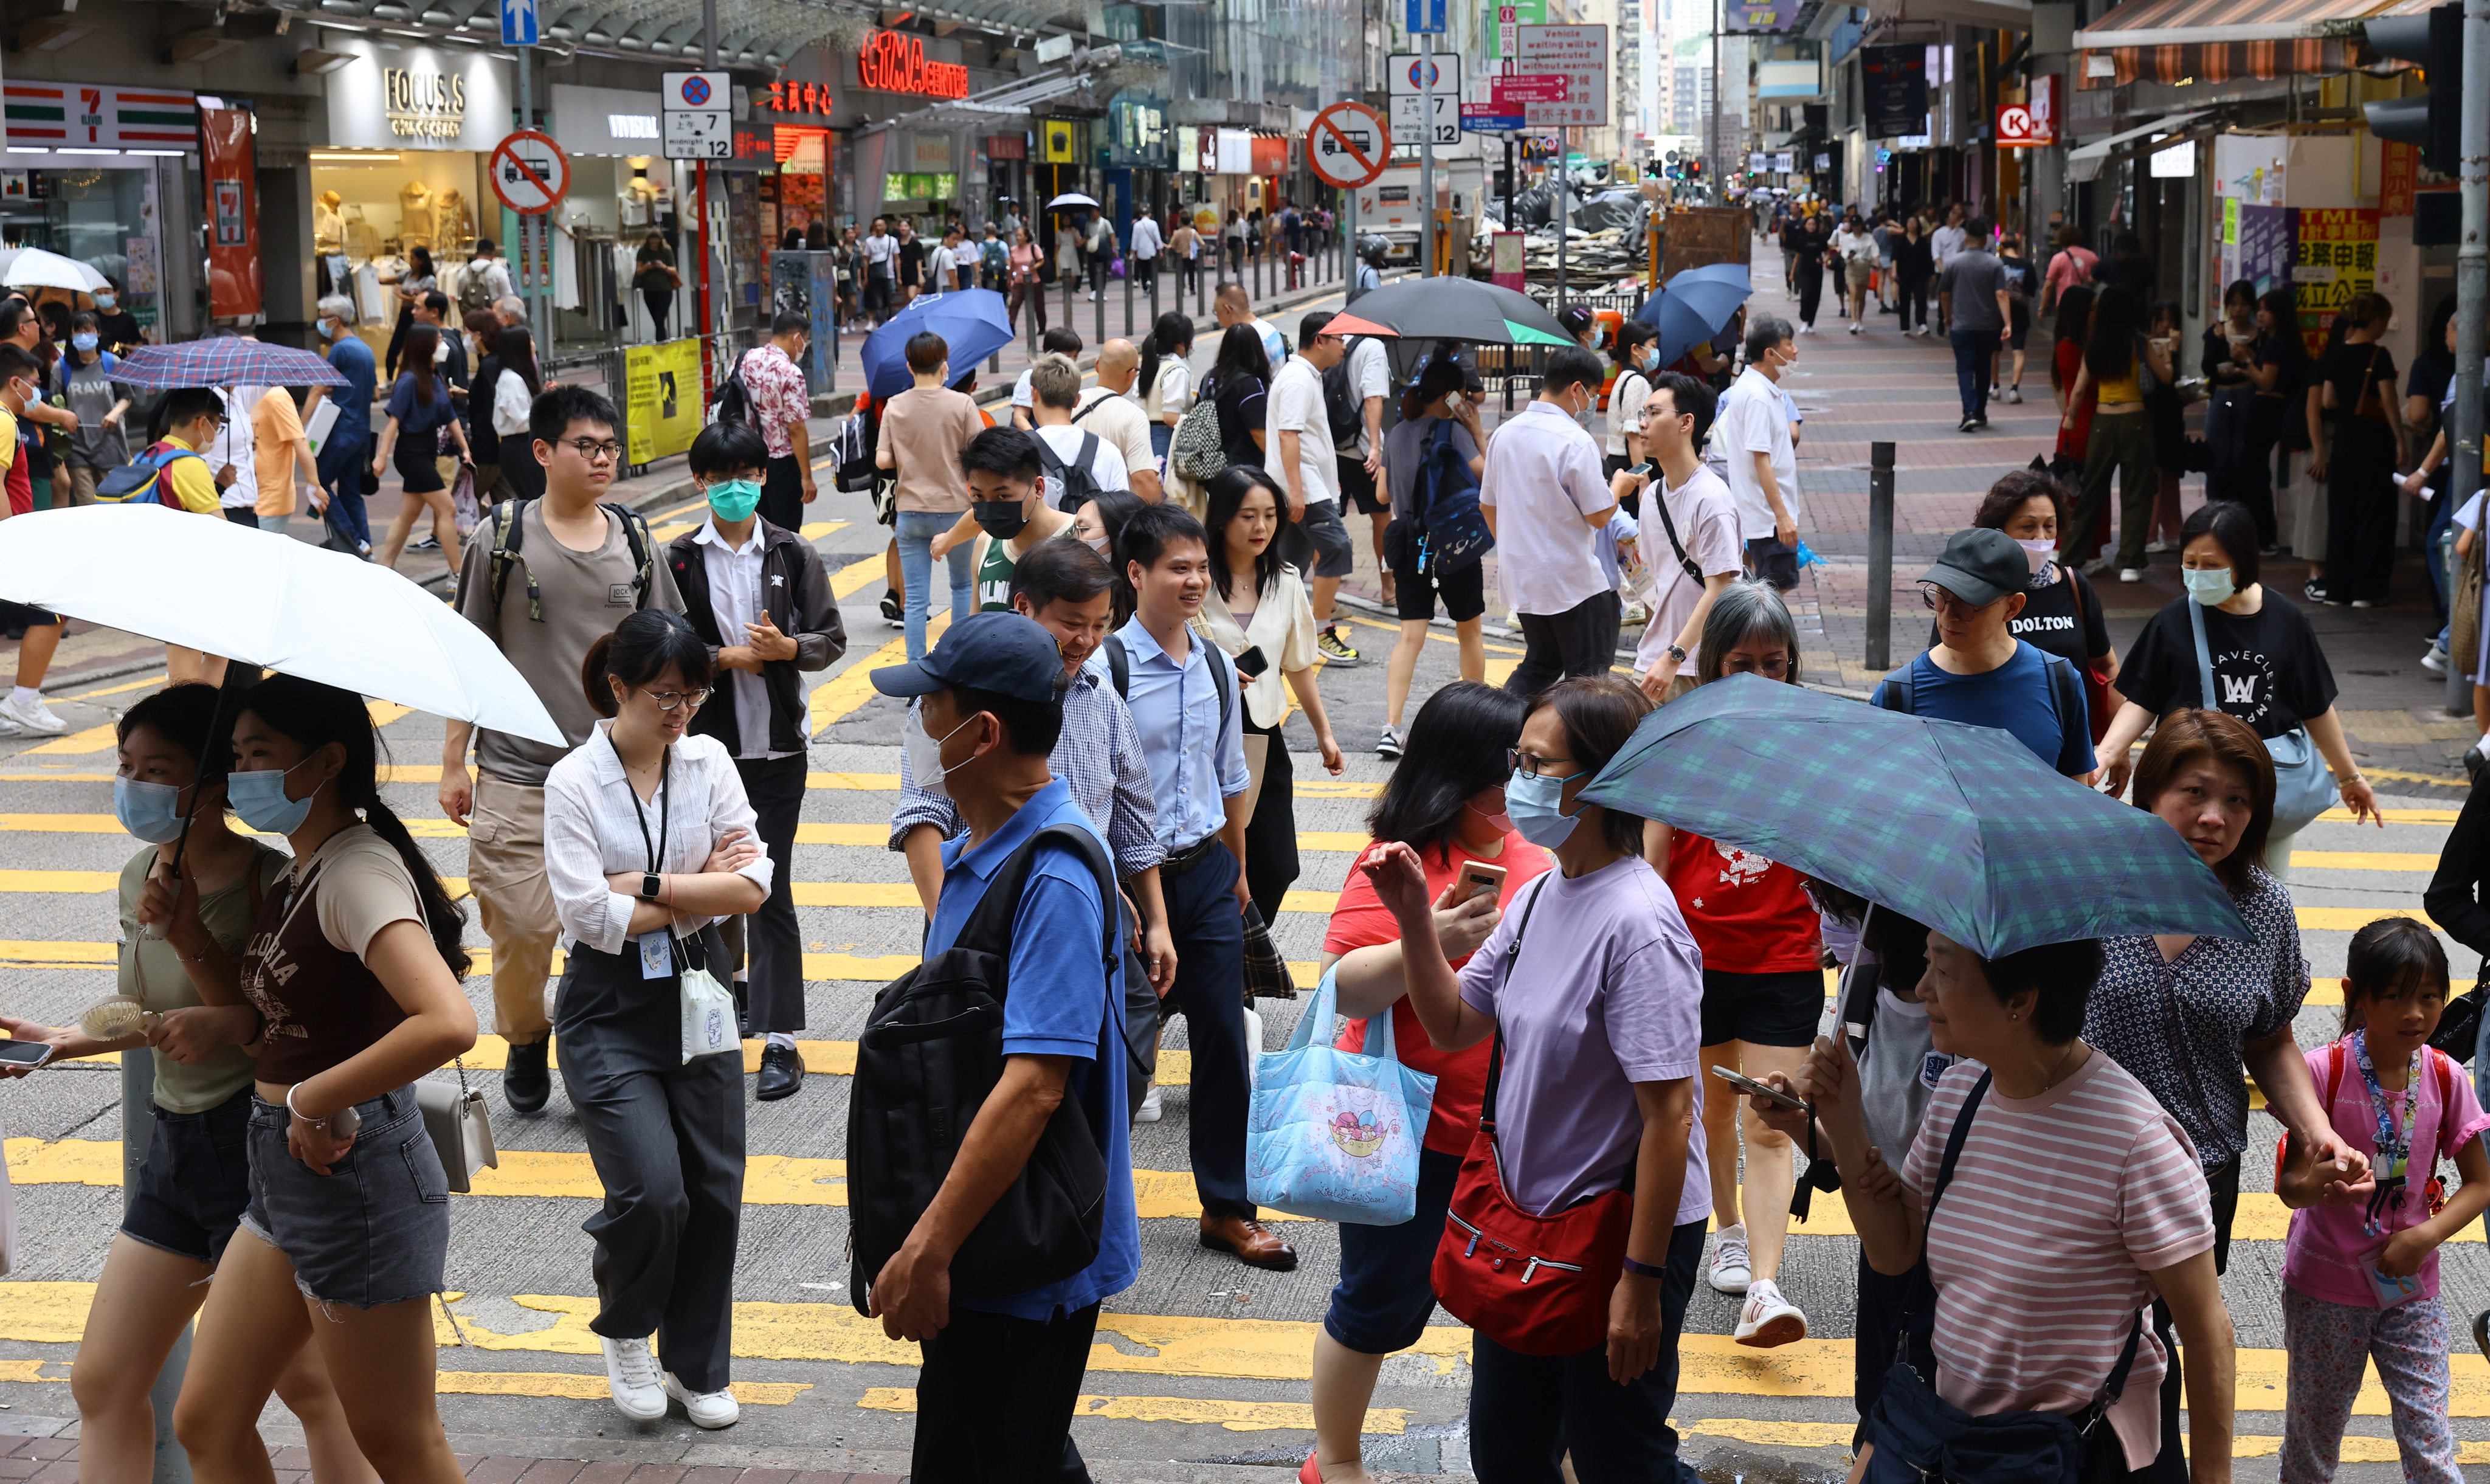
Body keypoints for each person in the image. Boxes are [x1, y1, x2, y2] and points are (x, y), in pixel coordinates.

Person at [0, 684, 368, 1479]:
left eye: (156, 768)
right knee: (104, 1379)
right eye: (125, 765)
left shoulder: (274, 882)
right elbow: (148, 1011)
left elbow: (288, 1028)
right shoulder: (140, 877)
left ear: (210, 785)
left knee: (302, 1387)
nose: (133, 785)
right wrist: (64, 1041)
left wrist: (203, 960)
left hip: (254, 1147)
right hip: (176, 1147)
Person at [1356, 675, 1712, 1480]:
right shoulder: (1541, 893)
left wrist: (1642, 1283)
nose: (1516, 777)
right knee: (1510, 1448)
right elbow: (1454, 1023)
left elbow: (1670, 1120)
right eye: (1516, 758)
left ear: (1603, 780)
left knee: (1621, 1454)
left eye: (1536, 762)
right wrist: (1416, 918)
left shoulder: (1640, 925)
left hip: (1619, 1230)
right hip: (1526, 1216)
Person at [1764, 930, 2238, 1484]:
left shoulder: (2137, 1143)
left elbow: (2208, 1332)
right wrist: (1844, 1124)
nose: (1922, 990)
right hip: (1955, 1442)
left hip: (2064, 1454)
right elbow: (1895, 1252)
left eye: (1943, 971)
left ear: (2020, 1000)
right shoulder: (1962, 1094)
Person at [168, 674, 477, 1479]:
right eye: (234, 756)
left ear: (327, 761)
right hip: (282, 1174)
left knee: (398, 1439)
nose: (241, 776)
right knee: (207, 1419)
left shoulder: (355, 873)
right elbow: (276, 1024)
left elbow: (446, 1021)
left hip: (354, 1177)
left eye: (260, 754)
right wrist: (189, 934)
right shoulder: (306, 869)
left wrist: (314, 1098)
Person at [863, 610, 1139, 1482]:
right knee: (1018, 1453)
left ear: (982, 732)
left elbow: (1034, 1089)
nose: (920, 730)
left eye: (930, 710)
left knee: (981, 1455)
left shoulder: (1053, 872)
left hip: (1025, 1250)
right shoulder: (980, 848)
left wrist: (929, 1247)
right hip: (987, 1228)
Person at [1303, 682, 1553, 1483]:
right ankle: (1335, 1459)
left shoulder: (1540, 857)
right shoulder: (1400, 861)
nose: (1530, 780)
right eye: (1518, 763)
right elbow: (1341, 987)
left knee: (1518, 1314)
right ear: (1467, 772)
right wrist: (1431, 931)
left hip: (1510, 1139)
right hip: (1401, 1132)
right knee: (1376, 1303)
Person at [543, 610, 770, 1427]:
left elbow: (752, 883)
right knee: (652, 1191)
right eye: (664, 697)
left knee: (714, 1186)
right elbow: (585, 914)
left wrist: (645, 886)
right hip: (607, 1005)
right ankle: (629, 1325)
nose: (680, 714)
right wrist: (691, 882)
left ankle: (698, 1365)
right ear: (619, 688)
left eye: (693, 697)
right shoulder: (573, 782)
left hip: (699, 991)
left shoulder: (707, 762)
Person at [448, 386, 685, 1115]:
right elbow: (469, 650)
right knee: (521, 928)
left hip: (616, 773)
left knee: (612, 930)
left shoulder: (636, 541)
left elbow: (673, 653)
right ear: (544, 452)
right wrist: (453, 759)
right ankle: (525, 1035)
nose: (604, 458)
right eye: (587, 445)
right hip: (519, 773)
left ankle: (595, 1053)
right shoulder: (503, 539)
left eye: (611, 446)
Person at [1112, 503, 1288, 1269]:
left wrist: (1239, 868)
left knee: (1223, 1035)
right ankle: (1088, 1200)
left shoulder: (1217, 663)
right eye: (1176, 567)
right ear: (1136, 573)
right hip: (1124, 882)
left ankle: (1227, 1207)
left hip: (1207, 872)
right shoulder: (1105, 670)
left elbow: (1230, 777)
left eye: (1199, 568)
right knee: (1114, 1047)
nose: (1193, 580)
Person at [1644, 583, 1818, 1348]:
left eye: (1773, 663)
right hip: (1696, 959)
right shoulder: (1679, 741)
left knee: (1771, 1121)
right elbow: (1651, 857)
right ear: (1711, 666)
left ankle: (1767, 1286)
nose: (1758, 675)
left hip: (1784, 957)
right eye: (1740, 661)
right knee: (1710, 1111)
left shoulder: (1813, 742)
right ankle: (1729, 1231)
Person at [663, 421, 846, 1100]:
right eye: (719, 476)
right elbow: (659, 645)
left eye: (746, 474)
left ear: (763, 478)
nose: (734, 487)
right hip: (701, 755)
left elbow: (831, 637)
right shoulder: (678, 558)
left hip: (777, 752)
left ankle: (779, 1038)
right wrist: (724, 659)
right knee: (706, 886)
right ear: (699, 481)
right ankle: (721, 1008)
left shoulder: (793, 553)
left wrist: (789, 649)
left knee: (769, 886)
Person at [2275, 920, 2489, 1482]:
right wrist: (2318, 1182)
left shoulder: (2445, 1076)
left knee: (2430, 1437)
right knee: (2313, 1438)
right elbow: (2288, 1185)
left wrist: (2424, 1236)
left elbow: (2482, 1184)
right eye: (2394, 996)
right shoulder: (2325, 1072)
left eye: (2428, 996)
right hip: (2325, 1291)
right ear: (2355, 995)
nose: (2415, 1013)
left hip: (2412, 1290)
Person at [2095, 500, 2381, 871]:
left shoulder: (2287, 621)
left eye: (2212, 565)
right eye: (2190, 563)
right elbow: (2143, 699)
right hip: (2191, 792)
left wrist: (2350, 776)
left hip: (2262, 794)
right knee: (2185, 900)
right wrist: (2107, 752)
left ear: (2243, 562)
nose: (2198, 574)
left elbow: (2316, 706)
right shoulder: (2173, 621)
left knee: (2261, 906)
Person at [1196, 464, 1348, 925]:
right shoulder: (1194, 578)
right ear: (1222, 518)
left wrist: (1324, 733)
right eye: (1247, 516)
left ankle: (1241, 954)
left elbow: (1298, 662)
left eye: (1269, 515)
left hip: (1263, 734)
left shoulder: (1284, 579)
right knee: (1212, 859)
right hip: (1204, 735)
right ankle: (1219, 962)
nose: (1260, 527)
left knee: (1279, 864)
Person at [1872, 526, 2096, 778]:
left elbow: (2078, 798)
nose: (1947, 615)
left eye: (1967, 604)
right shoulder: (1898, 695)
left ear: (2013, 607)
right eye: (1939, 597)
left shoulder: (2061, 681)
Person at [1481, 346, 1621, 695]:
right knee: (1589, 683)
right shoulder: (1575, 440)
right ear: (1576, 389)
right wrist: (1618, 485)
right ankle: (1580, 748)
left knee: (1539, 665)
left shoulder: (1504, 434)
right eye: (1591, 395)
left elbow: (1488, 506)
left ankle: (1502, 734)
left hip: (1523, 579)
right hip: (1573, 582)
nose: (1590, 405)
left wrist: (1518, 550)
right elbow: (1600, 515)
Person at [1951, 469, 2119, 738]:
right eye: (2028, 527)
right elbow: (1943, 666)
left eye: (2049, 526)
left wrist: (2115, 746)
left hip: (2069, 745)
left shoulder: (2074, 586)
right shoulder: (1974, 590)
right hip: (1993, 746)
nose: (2040, 538)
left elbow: (2106, 666)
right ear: (1999, 530)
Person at [1378, 360, 1489, 756]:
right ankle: (1476, 718)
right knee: (1469, 631)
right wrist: (1476, 430)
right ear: (1451, 396)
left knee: (1410, 636)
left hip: (1411, 545)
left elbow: (1381, 496)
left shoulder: (1396, 433)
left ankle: (1391, 727)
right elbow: (1487, 476)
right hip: (1454, 543)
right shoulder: (1455, 431)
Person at [1620, 373, 1741, 703]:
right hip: (1654, 662)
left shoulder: (1711, 499)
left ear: (1687, 422)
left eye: (1654, 413)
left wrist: (1674, 655)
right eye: (1643, 413)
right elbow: (1654, 584)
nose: (1642, 423)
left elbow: (1722, 587)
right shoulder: (1653, 496)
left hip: (1696, 667)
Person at [875, 331, 984, 663]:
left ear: (909, 367)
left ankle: (915, 673)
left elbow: (883, 461)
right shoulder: (962, 404)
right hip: (956, 510)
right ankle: (958, 664)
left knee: (917, 599)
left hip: (911, 512)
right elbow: (982, 451)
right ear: (945, 365)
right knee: (963, 587)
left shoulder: (895, 406)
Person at [1266, 312, 1361, 664]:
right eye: (1340, 339)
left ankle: (1270, 632)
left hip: (1309, 486)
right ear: (1320, 340)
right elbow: (1288, 436)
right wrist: (1296, 491)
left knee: (1287, 564)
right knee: (1337, 548)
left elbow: (1307, 438)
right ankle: (1321, 630)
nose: (1345, 347)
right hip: (1303, 489)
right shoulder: (1298, 380)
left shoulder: (1306, 377)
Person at [2063, 288, 2176, 581]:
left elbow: (2078, 388)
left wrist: (2071, 419)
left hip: (2103, 421)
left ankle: (2072, 556)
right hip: (2135, 421)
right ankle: (2130, 562)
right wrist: (2169, 353)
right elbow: (2165, 377)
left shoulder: (2094, 344)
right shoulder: (2139, 342)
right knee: (2137, 491)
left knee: (2092, 491)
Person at [2307, 292, 2406, 607]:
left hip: (2344, 443)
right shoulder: (2379, 355)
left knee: (2343, 515)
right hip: (2374, 442)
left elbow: (2328, 402)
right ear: (2376, 320)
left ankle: (2338, 589)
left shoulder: (2334, 356)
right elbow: (2389, 400)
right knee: (2374, 514)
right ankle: (2368, 589)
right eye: (2385, 321)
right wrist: (2400, 439)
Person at [370, 325, 474, 573]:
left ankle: (385, 568)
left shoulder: (434, 376)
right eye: (439, 341)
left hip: (427, 450)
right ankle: (458, 573)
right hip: (412, 453)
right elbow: (393, 421)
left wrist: (465, 449)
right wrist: (381, 457)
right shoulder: (408, 380)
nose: (444, 346)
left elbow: (450, 418)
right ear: (425, 346)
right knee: (447, 508)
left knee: (408, 514)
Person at [1715, 317, 1802, 591]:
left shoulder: (1759, 389)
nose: (1795, 350)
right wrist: (1782, 516)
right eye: (1789, 344)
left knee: (1768, 590)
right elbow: (1760, 459)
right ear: (1770, 353)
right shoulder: (1756, 396)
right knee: (1774, 593)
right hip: (1768, 517)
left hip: (1765, 514)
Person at [739, 311, 816, 534]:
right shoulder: (791, 373)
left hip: (747, 461)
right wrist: (807, 477)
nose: (804, 347)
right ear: (796, 337)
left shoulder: (744, 360)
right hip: (781, 465)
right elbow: (796, 428)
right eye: (805, 340)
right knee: (785, 535)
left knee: (755, 533)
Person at [1334, 326, 1395, 606]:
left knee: (1327, 520)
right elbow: (1372, 398)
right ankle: (1389, 590)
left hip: (1331, 446)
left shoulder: (1333, 341)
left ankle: (1328, 600)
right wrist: (1375, 447)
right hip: (1361, 449)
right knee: (1382, 517)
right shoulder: (1372, 346)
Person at [2202, 280, 2267, 535]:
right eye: (2233, 304)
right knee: (2217, 457)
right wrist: (2220, 343)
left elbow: (2263, 367)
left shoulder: (2260, 335)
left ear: (2251, 306)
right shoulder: (2216, 331)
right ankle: (2213, 516)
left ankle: (2239, 519)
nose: (2237, 309)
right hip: (2221, 397)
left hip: (2247, 396)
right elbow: (2208, 366)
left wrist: (2246, 356)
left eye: (2243, 304)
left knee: (2243, 457)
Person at [1936, 217, 2011, 433]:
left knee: (1965, 369)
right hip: (1988, 326)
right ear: (1986, 239)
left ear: (1966, 238)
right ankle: (1980, 412)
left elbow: (1945, 293)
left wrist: (1947, 317)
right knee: (1983, 368)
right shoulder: (1995, 264)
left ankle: (1969, 412)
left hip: (1962, 326)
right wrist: (2008, 323)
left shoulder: (1954, 263)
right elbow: (2001, 294)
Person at [1029, 353, 1131, 507]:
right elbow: (1122, 512)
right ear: (1077, 400)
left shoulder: (1021, 451)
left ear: (1034, 393)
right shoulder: (1108, 451)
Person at [57, 310, 131, 506]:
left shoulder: (111, 362)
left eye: (88, 331)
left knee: (115, 504)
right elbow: (55, 404)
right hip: (76, 447)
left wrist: (115, 413)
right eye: (78, 331)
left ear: (98, 333)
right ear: (71, 335)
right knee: (88, 505)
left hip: (111, 444)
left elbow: (127, 397)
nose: (83, 336)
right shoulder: (62, 368)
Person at [1080, 339, 1164, 503]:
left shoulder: (1071, 402)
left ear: (1097, 365)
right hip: (1115, 514)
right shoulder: (1134, 416)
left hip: (1069, 512)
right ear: (1131, 374)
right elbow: (1143, 479)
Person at [489, 322, 548, 505]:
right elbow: (522, 419)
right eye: (529, 340)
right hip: (519, 446)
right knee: (535, 500)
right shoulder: (511, 380)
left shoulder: (516, 377)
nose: (533, 344)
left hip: (523, 444)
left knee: (537, 499)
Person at [1203, 322, 1273, 474]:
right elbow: (1258, 431)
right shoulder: (1250, 384)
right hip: (1243, 469)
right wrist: (1279, 461)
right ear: (1256, 350)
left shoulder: (1209, 378)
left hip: (1210, 465)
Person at [251, 385, 320, 534]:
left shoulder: (276, 397)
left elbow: (300, 441)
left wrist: (314, 485)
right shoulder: (240, 394)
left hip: (269, 499)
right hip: (243, 495)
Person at [1136, 311, 1195, 466]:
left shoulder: (1149, 367)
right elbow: (1170, 417)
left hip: (1142, 438)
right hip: (1166, 440)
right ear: (1181, 343)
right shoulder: (1176, 371)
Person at [1605, 320, 1660, 481]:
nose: (1656, 352)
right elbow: (1634, 435)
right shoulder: (1637, 382)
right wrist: (1643, 482)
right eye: (1653, 346)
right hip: (1630, 463)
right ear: (1635, 349)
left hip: (1622, 461)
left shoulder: (1628, 377)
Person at [1009, 328, 1083, 430]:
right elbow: (1019, 417)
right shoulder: (1031, 376)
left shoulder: (1071, 377)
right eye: (1068, 356)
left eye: (1076, 356)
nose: (1073, 361)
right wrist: (1038, 440)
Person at [382, 246, 435, 380]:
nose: (410, 261)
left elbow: (422, 299)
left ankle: (419, 377)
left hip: (419, 318)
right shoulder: (407, 275)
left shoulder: (429, 279)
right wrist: (368, 274)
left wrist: (400, 295)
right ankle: (389, 378)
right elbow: (384, 280)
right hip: (405, 315)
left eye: (413, 258)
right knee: (394, 349)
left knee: (415, 349)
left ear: (421, 260)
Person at [1993, 231, 2034, 402]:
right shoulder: (2027, 265)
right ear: (2018, 246)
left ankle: (1994, 387)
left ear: (2002, 246)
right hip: (2020, 310)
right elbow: (2031, 290)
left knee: (1994, 351)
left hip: (1997, 311)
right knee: (2019, 351)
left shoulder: (1996, 264)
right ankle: (2014, 390)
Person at [1832, 211, 1876, 333]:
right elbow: (1845, 254)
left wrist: (1876, 262)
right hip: (1851, 267)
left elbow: (1875, 251)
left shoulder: (1869, 237)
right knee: (1853, 293)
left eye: (1858, 225)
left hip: (1864, 267)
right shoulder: (1846, 239)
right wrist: (1849, 256)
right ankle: (1854, 321)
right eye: (1854, 225)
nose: (1856, 227)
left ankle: (1860, 319)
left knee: (1862, 296)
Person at [1785, 208, 1827, 332]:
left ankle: (1811, 323)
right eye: (1809, 224)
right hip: (1804, 271)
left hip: (1817, 272)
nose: (1812, 226)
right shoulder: (1802, 239)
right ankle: (1804, 319)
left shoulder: (1820, 240)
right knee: (1806, 295)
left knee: (1815, 296)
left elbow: (1827, 253)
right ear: (1805, 226)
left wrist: (1824, 260)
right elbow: (1797, 257)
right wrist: (1792, 273)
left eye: (1814, 224)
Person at [2041, 223, 2098, 316]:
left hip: (2065, 304)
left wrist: (2042, 308)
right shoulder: (2092, 257)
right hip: (2088, 303)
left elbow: (2049, 286)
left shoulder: (2058, 258)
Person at [1892, 214, 1934, 338]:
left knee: (1921, 297)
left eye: (1914, 223)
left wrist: (1931, 274)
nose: (1912, 225)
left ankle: (1922, 323)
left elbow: (1928, 258)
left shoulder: (1922, 241)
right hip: (1904, 273)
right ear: (1906, 225)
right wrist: (1894, 271)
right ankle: (1905, 326)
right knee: (1904, 299)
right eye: (1910, 222)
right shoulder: (1901, 240)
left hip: (1920, 273)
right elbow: (1895, 257)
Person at [635, 232, 681, 340]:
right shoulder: (643, 251)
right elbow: (638, 271)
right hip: (649, 290)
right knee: (657, 320)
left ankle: (661, 343)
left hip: (665, 290)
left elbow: (674, 270)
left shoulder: (667, 251)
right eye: (652, 241)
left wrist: (663, 267)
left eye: (656, 241)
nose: (654, 243)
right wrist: (647, 267)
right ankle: (662, 343)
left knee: (660, 319)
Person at [1008, 226, 1047, 337]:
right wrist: (1010, 278)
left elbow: (1041, 260)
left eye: (1020, 235)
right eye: (1017, 235)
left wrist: (1034, 267)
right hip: (1019, 281)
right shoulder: (1014, 250)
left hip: (1033, 281)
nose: (1018, 238)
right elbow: (1012, 265)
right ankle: (1011, 325)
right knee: (1014, 303)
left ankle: (1042, 326)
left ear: (1026, 237)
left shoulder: (1033, 248)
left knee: (1039, 306)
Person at [461, 240, 516, 314]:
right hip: (494, 316)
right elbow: (508, 297)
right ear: (493, 254)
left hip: (471, 318)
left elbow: (460, 297)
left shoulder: (463, 272)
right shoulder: (499, 271)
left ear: (476, 253)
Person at [861, 218, 897, 323]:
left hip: (889, 275)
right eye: (876, 226)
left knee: (891, 300)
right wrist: (866, 277)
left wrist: (898, 276)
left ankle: (891, 321)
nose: (878, 228)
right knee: (878, 302)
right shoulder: (869, 241)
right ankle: (881, 323)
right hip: (875, 276)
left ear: (886, 227)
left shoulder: (892, 240)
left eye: (881, 225)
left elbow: (897, 259)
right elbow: (866, 260)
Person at [1128, 207, 1162, 295]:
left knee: (1143, 270)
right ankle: (1151, 282)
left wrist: (1133, 252)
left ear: (1140, 215)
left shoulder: (1137, 225)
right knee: (1151, 269)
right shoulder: (1154, 224)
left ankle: (1145, 288)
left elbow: (1134, 240)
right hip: (1151, 251)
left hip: (1141, 251)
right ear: (1150, 214)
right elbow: (1157, 238)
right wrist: (1160, 250)